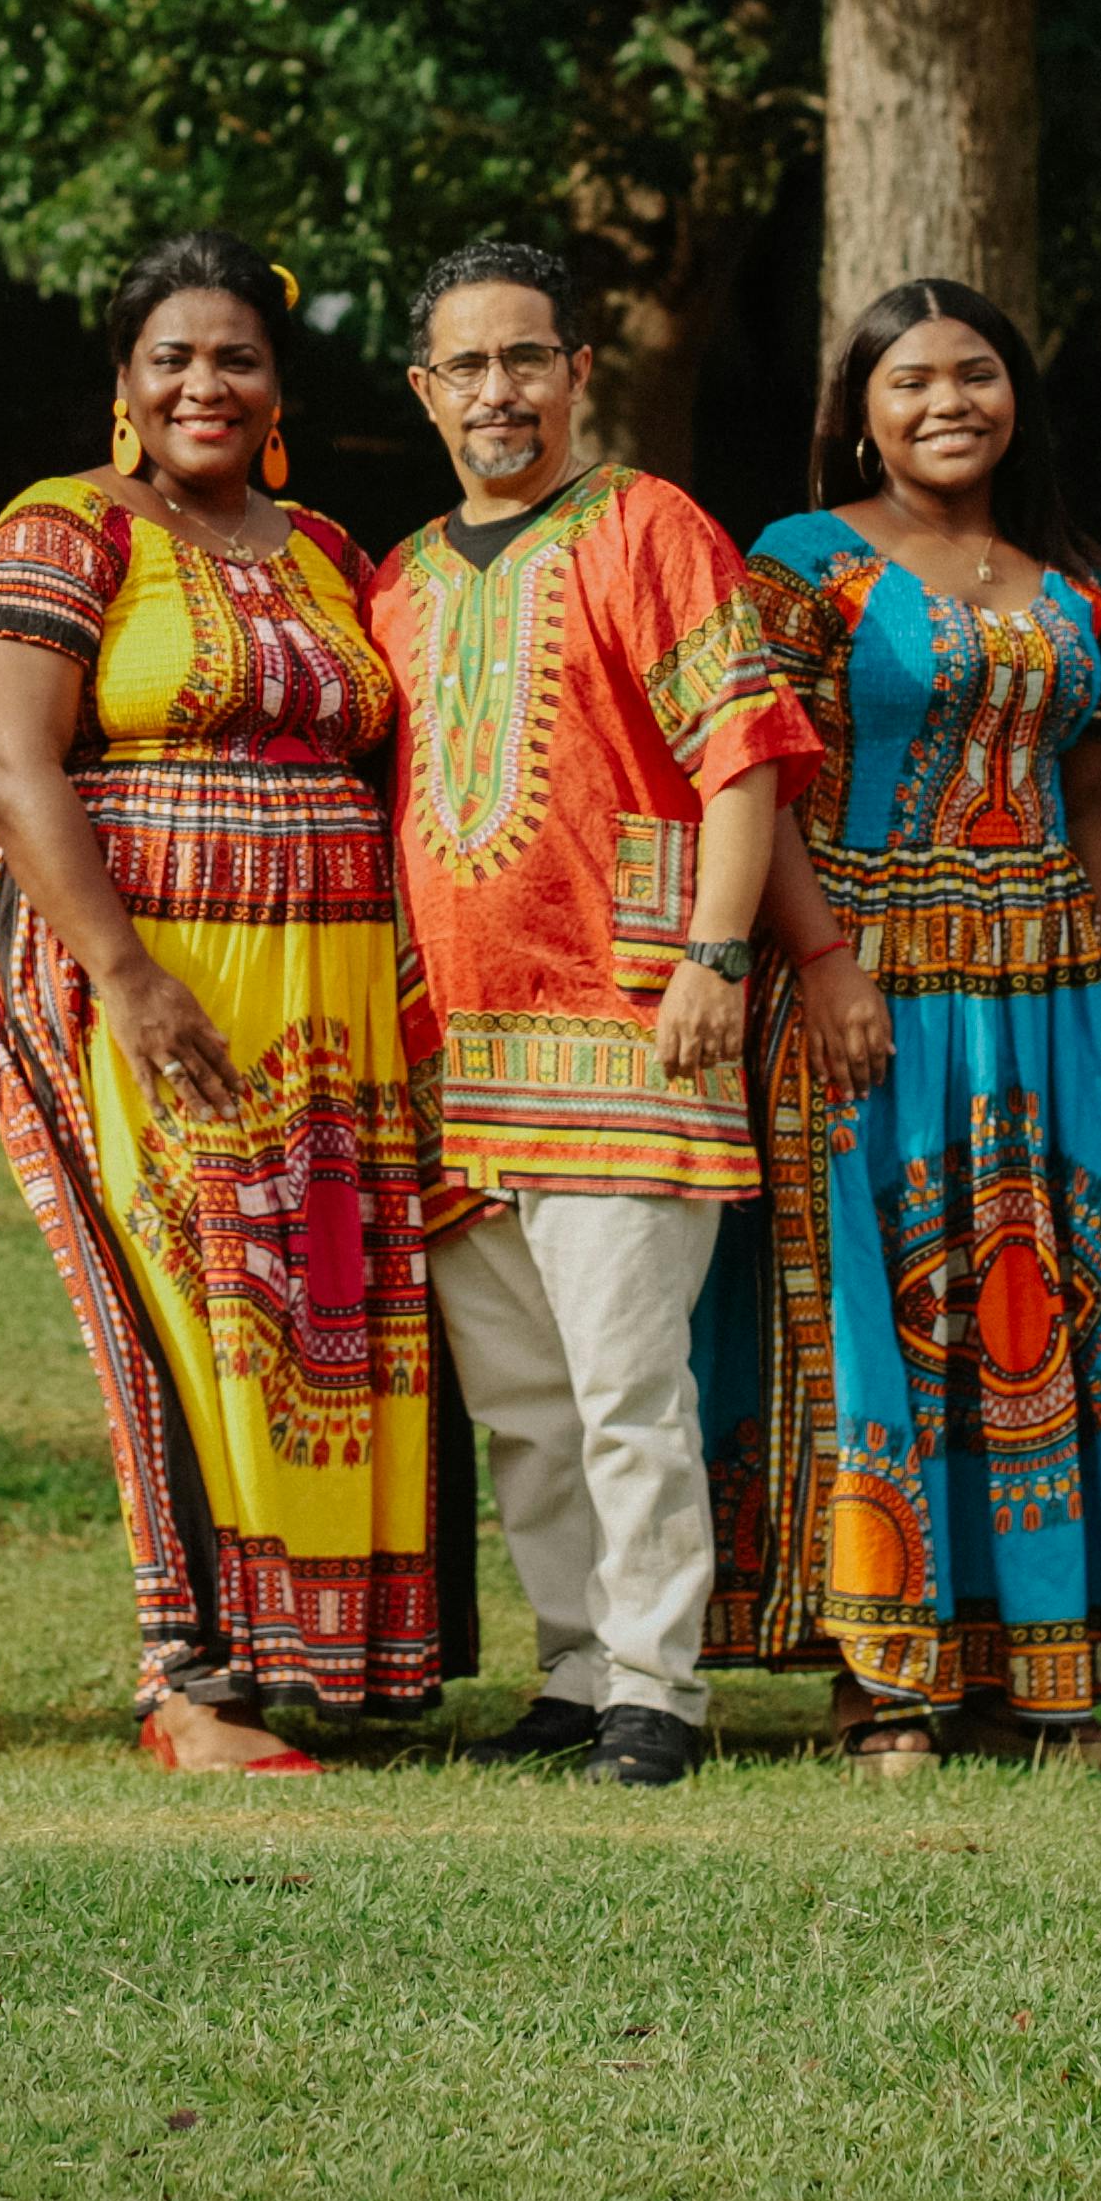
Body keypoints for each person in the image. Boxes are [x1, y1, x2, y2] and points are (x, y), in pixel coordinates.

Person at [0, 236, 460, 1771]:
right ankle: (191, 1683)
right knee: (175, 1312)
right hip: (145, 977)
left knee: (313, 1310)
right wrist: (126, 973)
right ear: (123, 386)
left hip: (326, 995)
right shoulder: (67, 527)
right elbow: (10, 759)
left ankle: (327, 1660)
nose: (205, 385)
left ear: (277, 387)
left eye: (235, 357)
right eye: (171, 357)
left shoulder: (320, 548)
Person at [363, 240, 837, 1792]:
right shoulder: (403, 580)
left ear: (575, 372)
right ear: (427, 392)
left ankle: (658, 1689)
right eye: (467, 368)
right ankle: (572, 1666)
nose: (499, 393)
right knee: (522, 1400)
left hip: (631, 1017)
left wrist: (717, 952)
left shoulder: (648, 526)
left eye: (525, 360)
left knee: (629, 1384)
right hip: (461, 1047)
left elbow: (745, 749)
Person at [730, 280, 1101, 1769]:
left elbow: (1097, 799)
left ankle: (1044, 1677)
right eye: (913, 380)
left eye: (978, 375)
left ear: (1018, 397)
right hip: (862, 984)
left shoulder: (1075, 584)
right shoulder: (803, 567)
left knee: (1047, 1320)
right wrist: (819, 965)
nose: (949, 404)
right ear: (859, 411)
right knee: (880, 1325)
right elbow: (765, 777)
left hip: (1044, 991)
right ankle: (888, 1683)